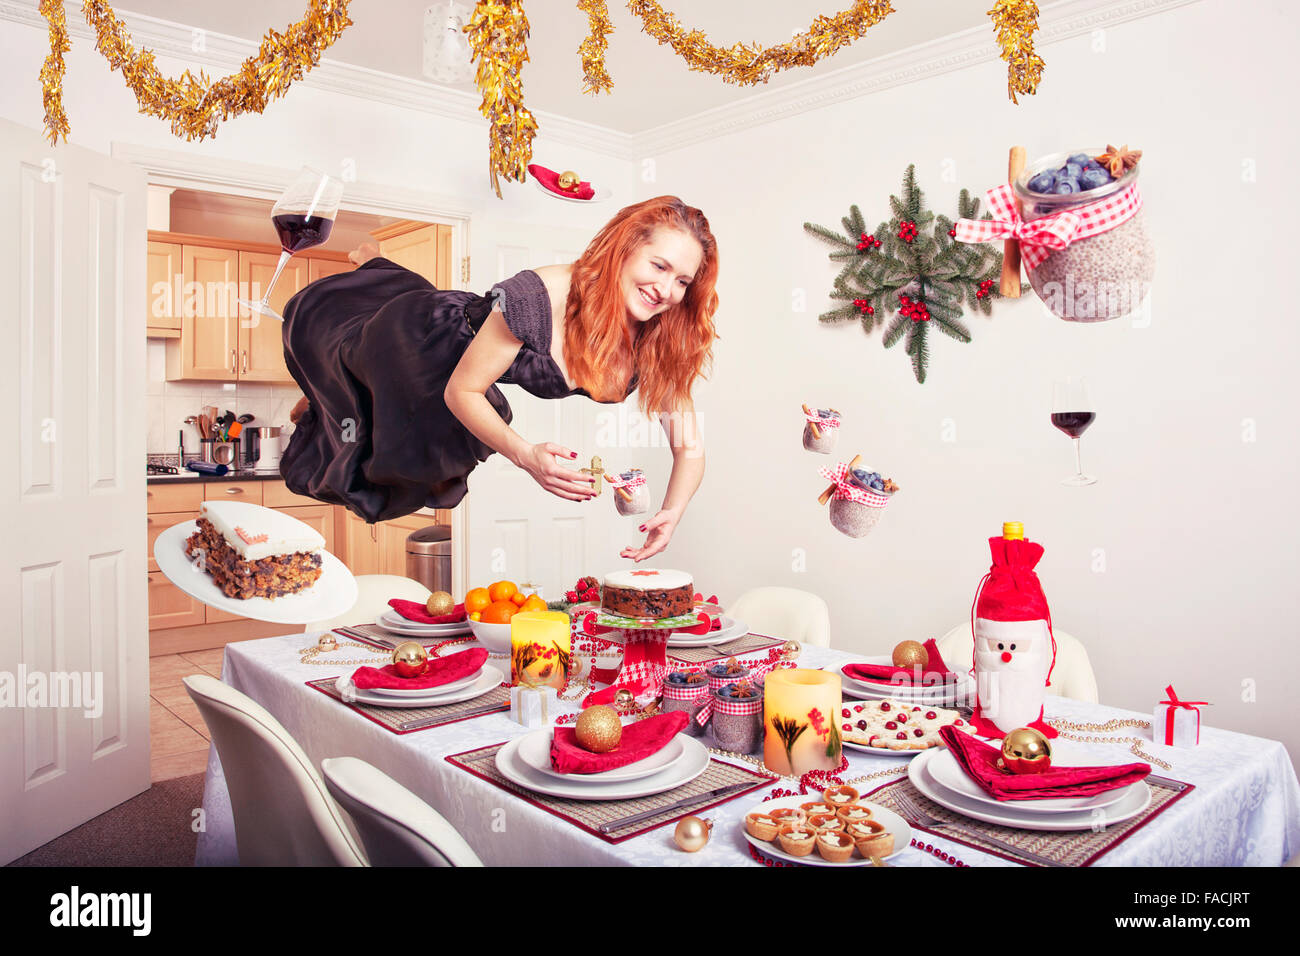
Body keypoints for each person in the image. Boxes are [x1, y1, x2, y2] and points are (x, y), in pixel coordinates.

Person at [280, 195, 719, 562]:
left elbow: (689, 447)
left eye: (682, 281)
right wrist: (526, 455)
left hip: (472, 360)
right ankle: (372, 264)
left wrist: (672, 511)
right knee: (346, 353)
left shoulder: (660, 337)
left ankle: (364, 295)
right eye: (659, 266)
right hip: (420, 339)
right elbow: (463, 390)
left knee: (374, 422)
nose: (667, 291)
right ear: (623, 249)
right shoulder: (538, 296)